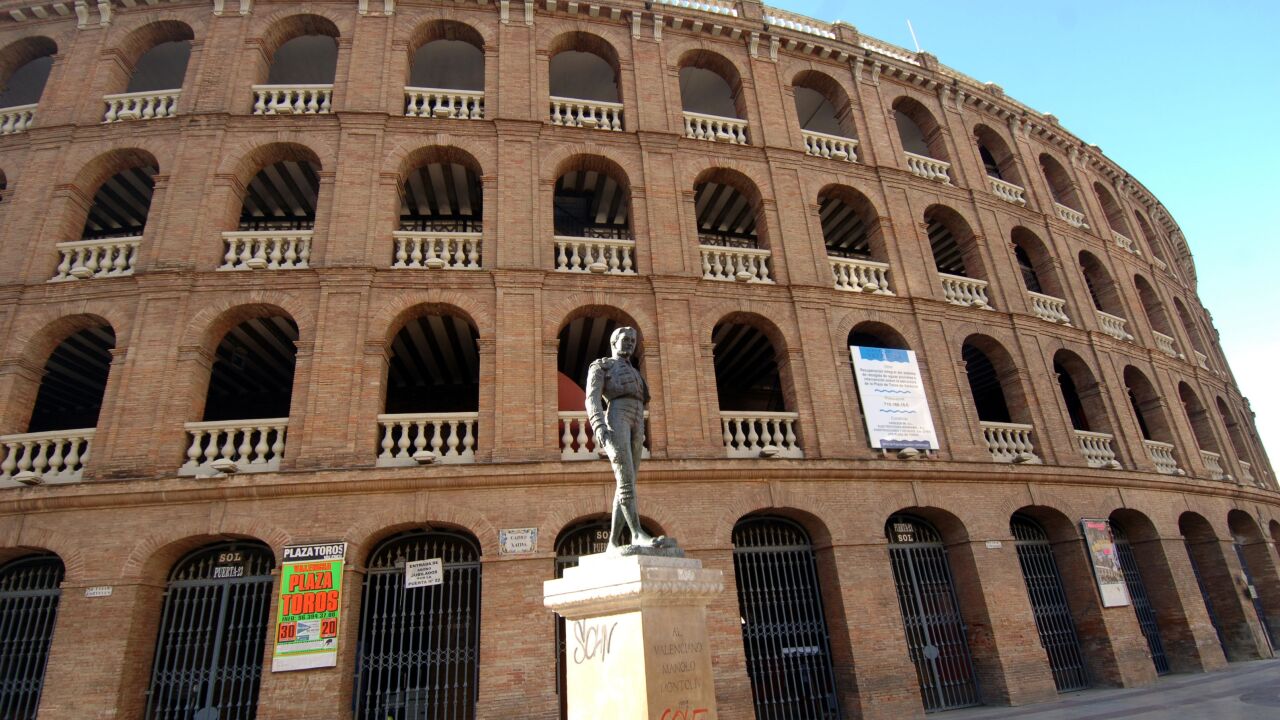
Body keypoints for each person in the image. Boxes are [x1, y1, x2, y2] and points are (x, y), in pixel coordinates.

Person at [584, 327, 671, 551]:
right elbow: (592, 399)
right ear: (614, 342)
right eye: (626, 339)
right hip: (618, 415)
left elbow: (646, 396)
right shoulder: (602, 366)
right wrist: (598, 425)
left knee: (628, 481)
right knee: (625, 478)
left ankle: (613, 542)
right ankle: (636, 533)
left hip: (637, 417)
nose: (631, 343)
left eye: (633, 340)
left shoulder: (635, 372)